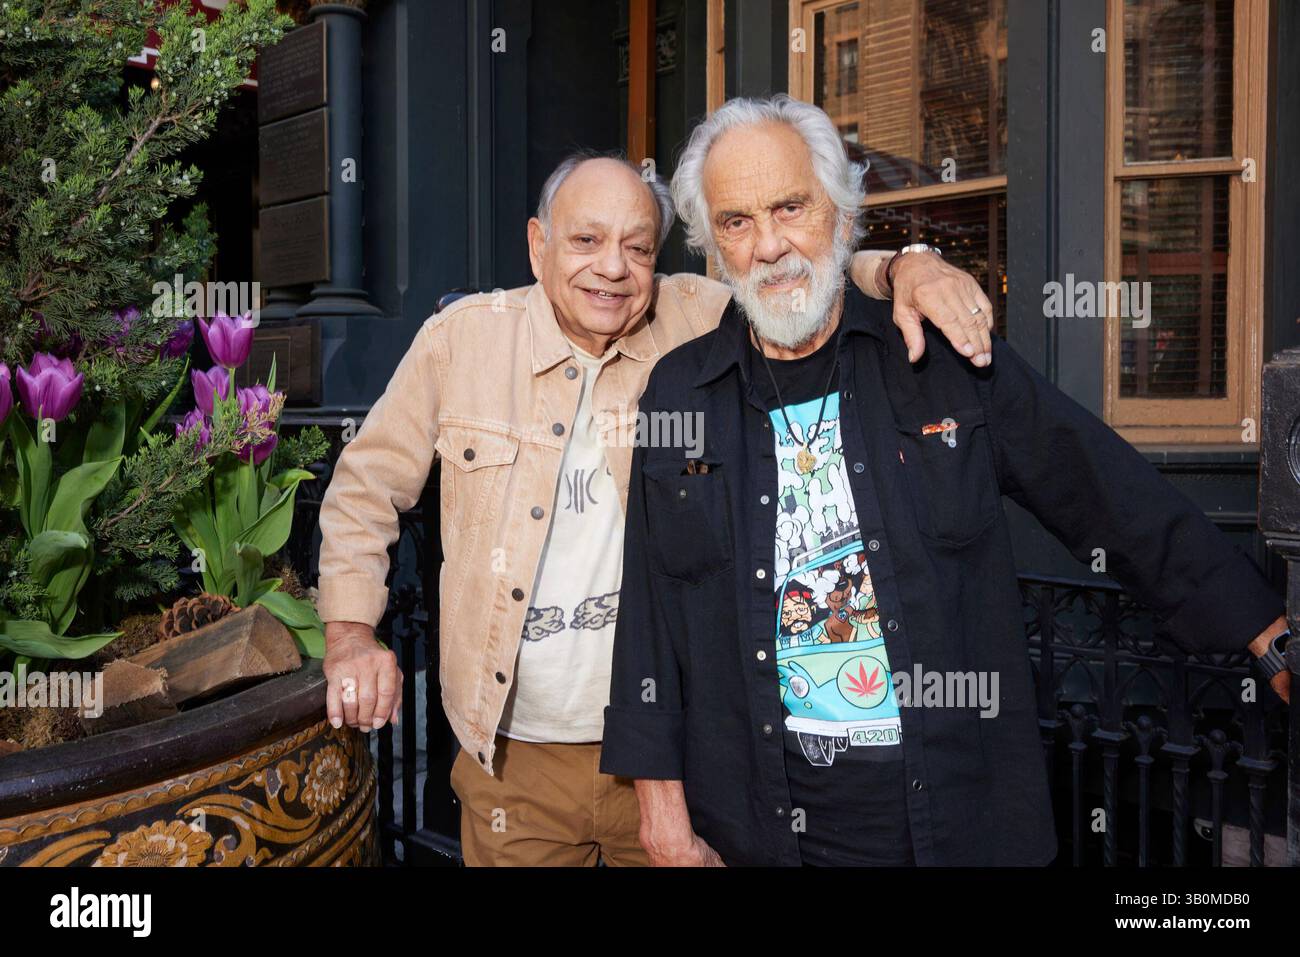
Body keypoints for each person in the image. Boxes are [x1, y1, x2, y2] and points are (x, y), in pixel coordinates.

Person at [599, 96, 1290, 867]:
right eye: (735, 222)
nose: (768, 245)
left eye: (790, 206)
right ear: (710, 245)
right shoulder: (678, 391)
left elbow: (1099, 486)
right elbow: (651, 609)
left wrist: (1263, 627)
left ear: (840, 208)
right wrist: (660, 810)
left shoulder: (939, 360)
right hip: (758, 822)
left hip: (952, 818)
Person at [315, 149, 993, 865]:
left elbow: (799, 275)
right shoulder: (462, 342)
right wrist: (351, 635)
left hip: (678, 759)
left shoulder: (695, 315)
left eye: (638, 248)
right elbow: (366, 487)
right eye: (585, 240)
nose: (613, 267)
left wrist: (903, 267)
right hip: (517, 756)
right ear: (538, 245)